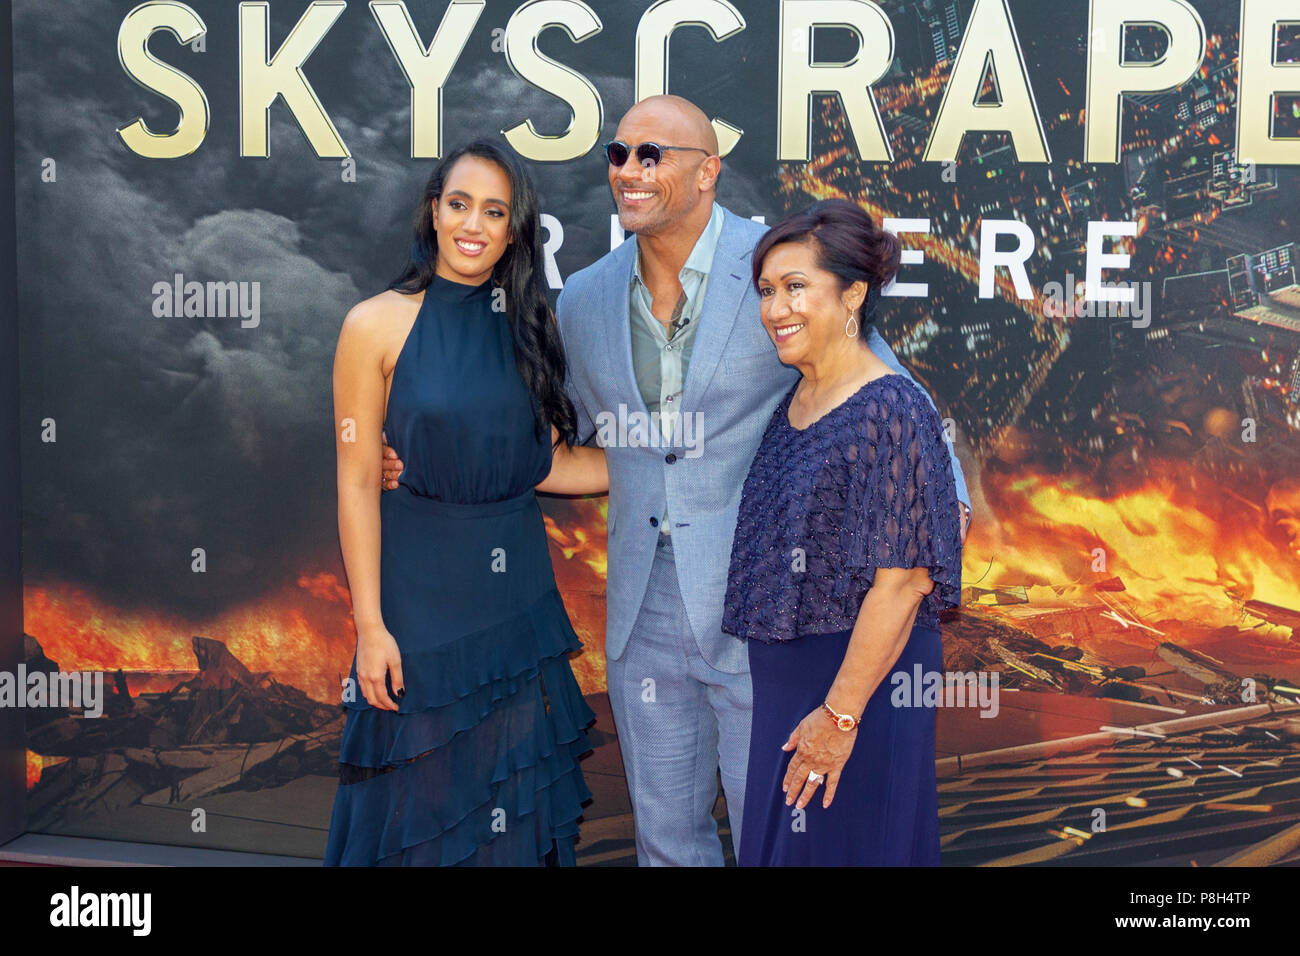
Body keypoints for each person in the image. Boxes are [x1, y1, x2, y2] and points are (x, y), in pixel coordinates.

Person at [382, 95, 970, 866]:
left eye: (652, 155)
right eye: (618, 154)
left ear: (707, 172)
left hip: (764, 615)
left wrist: (940, 509)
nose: (629, 170)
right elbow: (580, 449)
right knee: (666, 843)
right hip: (641, 617)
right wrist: (431, 463)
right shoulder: (587, 297)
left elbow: (887, 392)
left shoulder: (777, 271)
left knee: (777, 838)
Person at [326, 138, 608, 866]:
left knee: (506, 799)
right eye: (459, 205)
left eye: (494, 210)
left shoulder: (529, 323)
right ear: (434, 209)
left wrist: (669, 463)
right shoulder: (374, 324)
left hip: (514, 592)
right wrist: (369, 626)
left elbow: (541, 463)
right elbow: (358, 479)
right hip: (419, 596)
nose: (473, 225)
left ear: (516, 228)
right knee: (422, 795)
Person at [722, 199, 963, 865]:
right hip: (792, 687)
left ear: (853, 293)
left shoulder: (891, 406)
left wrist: (839, 716)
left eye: (796, 287)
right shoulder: (794, 401)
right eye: (767, 291)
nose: (775, 309)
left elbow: (907, 580)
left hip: (856, 689)